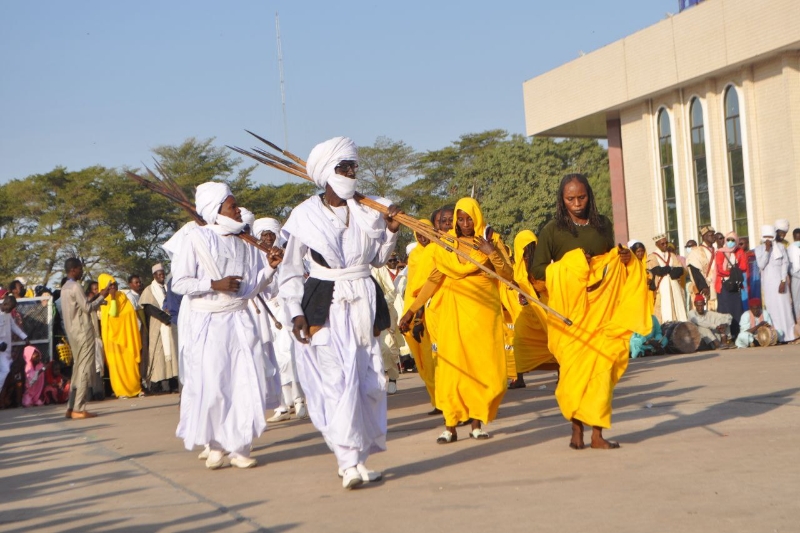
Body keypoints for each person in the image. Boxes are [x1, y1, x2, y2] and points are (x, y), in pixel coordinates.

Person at [279, 137, 401, 489]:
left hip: (363, 300)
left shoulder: (368, 210)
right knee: (337, 382)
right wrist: (294, 313)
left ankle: (358, 459)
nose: (351, 173)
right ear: (325, 174)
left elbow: (377, 259)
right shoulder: (303, 215)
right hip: (325, 303)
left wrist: (390, 231)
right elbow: (288, 270)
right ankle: (347, 462)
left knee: (367, 382)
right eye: (343, 168)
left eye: (353, 167)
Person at [531, 173, 646, 449]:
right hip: (570, 314)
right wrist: (571, 264)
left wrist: (626, 258)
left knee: (602, 370)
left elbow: (610, 260)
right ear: (562, 200)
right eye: (570, 198)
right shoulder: (551, 231)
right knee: (573, 373)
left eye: (581, 197)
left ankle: (597, 435)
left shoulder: (602, 224)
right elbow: (537, 271)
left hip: (602, 310)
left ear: (589, 195)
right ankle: (576, 431)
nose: (577, 203)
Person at [173, 182, 281, 470]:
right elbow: (180, 282)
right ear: (216, 210)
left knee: (247, 381)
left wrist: (269, 268)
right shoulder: (196, 238)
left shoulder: (244, 243)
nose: (238, 210)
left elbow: (248, 290)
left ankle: (241, 447)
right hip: (209, 323)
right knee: (216, 385)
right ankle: (216, 445)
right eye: (232, 206)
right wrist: (212, 284)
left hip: (240, 320)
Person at [400, 197, 512, 444]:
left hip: (483, 318)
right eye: (459, 219)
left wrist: (491, 253)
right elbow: (433, 279)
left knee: (482, 371)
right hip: (454, 319)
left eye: (468, 218)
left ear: (477, 217)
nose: (464, 223)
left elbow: (506, 274)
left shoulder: (488, 241)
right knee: (452, 371)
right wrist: (412, 310)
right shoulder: (446, 245)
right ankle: (450, 426)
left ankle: (476, 423)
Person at [253, 217, 308, 423]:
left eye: (271, 234)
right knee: (274, 359)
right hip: (266, 314)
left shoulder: (286, 255)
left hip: (286, 309)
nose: (267, 238)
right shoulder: (258, 259)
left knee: (290, 355)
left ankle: (299, 399)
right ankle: (283, 405)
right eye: (264, 235)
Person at [61, 258, 110, 419]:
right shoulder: (76, 286)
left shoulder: (65, 287)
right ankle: (79, 408)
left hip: (72, 332)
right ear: (74, 269)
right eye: (80, 268)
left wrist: (97, 297)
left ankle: (71, 407)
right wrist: (102, 297)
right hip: (83, 332)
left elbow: (81, 305)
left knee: (77, 368)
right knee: (84, 368)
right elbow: (88, 308)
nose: (82, 271)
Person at [401, 219, 437, 411]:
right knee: (422, 360)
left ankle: (444, 402)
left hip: (427, 311)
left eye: (426, 232)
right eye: (419, 233)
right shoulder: (414, 256)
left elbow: (425, 288)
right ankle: (436, 400)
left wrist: (417, 317)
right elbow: (412, 288)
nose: (423, 236)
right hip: (412, 311)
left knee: (432, 358)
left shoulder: (435, 253)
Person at [97, 274, 143, 399]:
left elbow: (130, 314)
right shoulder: (103, 299)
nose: (113, 287)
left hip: (127, 337)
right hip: (113, 340)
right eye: (109, 285)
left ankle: (136, 389)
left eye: (114, 284)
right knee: (117, 366)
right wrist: (112, 298)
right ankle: (121, 391)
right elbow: (113, 313)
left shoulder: (122, 296)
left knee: (130, 363)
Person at [139, 264, 180, 393]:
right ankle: (156, 386)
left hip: (170, 327)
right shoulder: (149, 290)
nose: (161, 275)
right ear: (154, 276)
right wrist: (166, 319)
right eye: (158, 274)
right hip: (158, 327)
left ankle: (173, 384)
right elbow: (150, 308)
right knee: (157, 355)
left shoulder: (169, 288)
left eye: (163, 273)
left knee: (172, 355)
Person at [754, 225, 796, 343]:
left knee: (785, 308)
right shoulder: (759, 249)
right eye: (766, 237)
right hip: (768, 284)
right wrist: (767, 250)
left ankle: (790, 335)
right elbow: (761, 265)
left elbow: (785, 264)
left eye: (770, 236)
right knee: (773, 310)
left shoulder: (781, 247)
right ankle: (776, 336)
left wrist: (783, 281)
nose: (768, 239)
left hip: (781, 283)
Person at [647, 234, 687, 323]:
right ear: (657, 244)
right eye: (662, 244)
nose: (665, 245)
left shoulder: (672, 255)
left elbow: (680, 269)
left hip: (675, 287)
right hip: (662, 289)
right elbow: (658, 271)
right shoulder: (652, 256)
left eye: (666, 243)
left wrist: (667, 270)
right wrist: (671, 268)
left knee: (679, 310)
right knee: (664, 310)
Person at [715, 231, 748, 339]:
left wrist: (732, 269)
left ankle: (737, 334)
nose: (730, 242)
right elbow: (720, 270)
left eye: (733, 240)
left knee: (737, 309)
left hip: (735, 285)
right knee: (725, 310)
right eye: (728, 240)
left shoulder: (739, 251)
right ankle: (726, 336)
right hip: (724, 285)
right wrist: (732, 270)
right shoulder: (720, 252)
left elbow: (744, 267)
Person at [0, 293, 28, 392]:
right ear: (5, 304)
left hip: (5, 350)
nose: (10, 310)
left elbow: (13, 326)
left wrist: (24, 337)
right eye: (10, 308)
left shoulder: (8, 314)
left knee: (6, 369)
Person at [687, 226, 718, 311]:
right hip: (704, 286)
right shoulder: (696, 252)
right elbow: (695, 271)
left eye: (714, 235)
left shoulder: (717, 250)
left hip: (717, 285)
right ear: (704, 237)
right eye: (710, 235)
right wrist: (703, 287)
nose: (713, 237)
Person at [788, 228, 800, 323]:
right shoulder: (790, 248)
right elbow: (790, 266)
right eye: (797, 238)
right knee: (796, 300)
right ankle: (798, 320)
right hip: (795, 276)